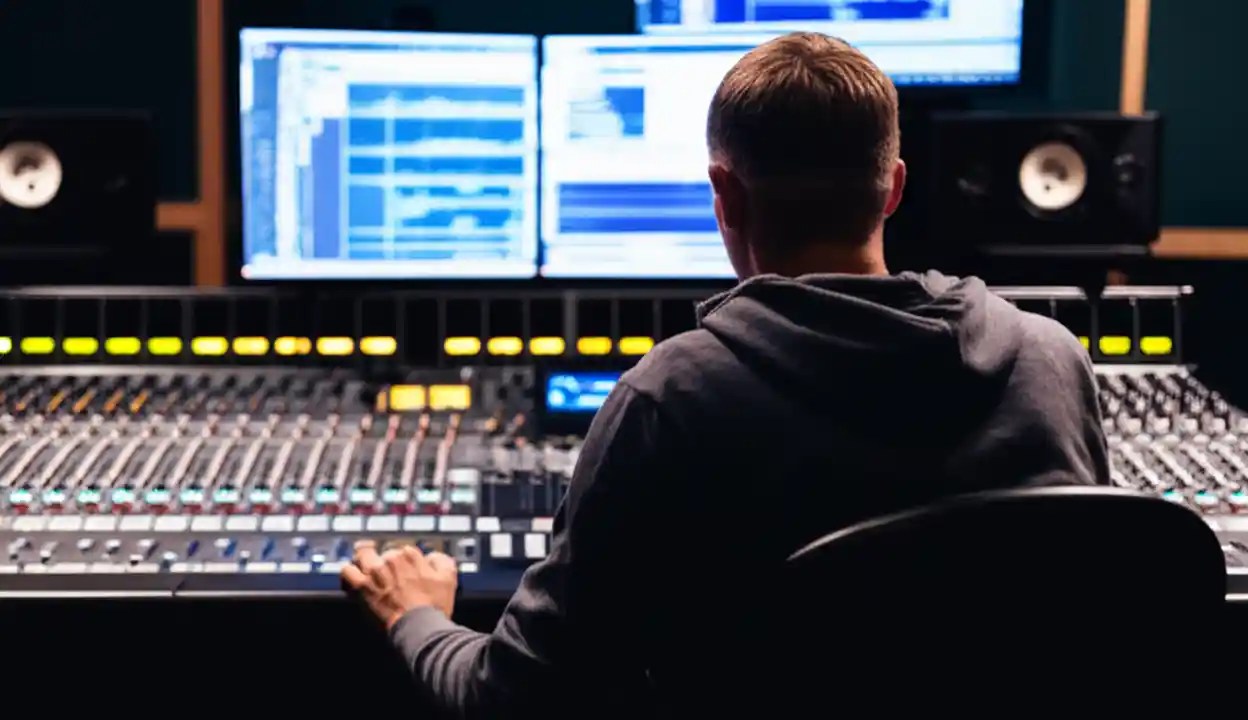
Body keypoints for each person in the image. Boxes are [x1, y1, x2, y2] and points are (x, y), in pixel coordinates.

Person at [341, 31, 1109, 718]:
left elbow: (517, 700)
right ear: (895, 186)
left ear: (725, 194)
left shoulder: (674, 396)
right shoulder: (1051, 360)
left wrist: (417, 617)